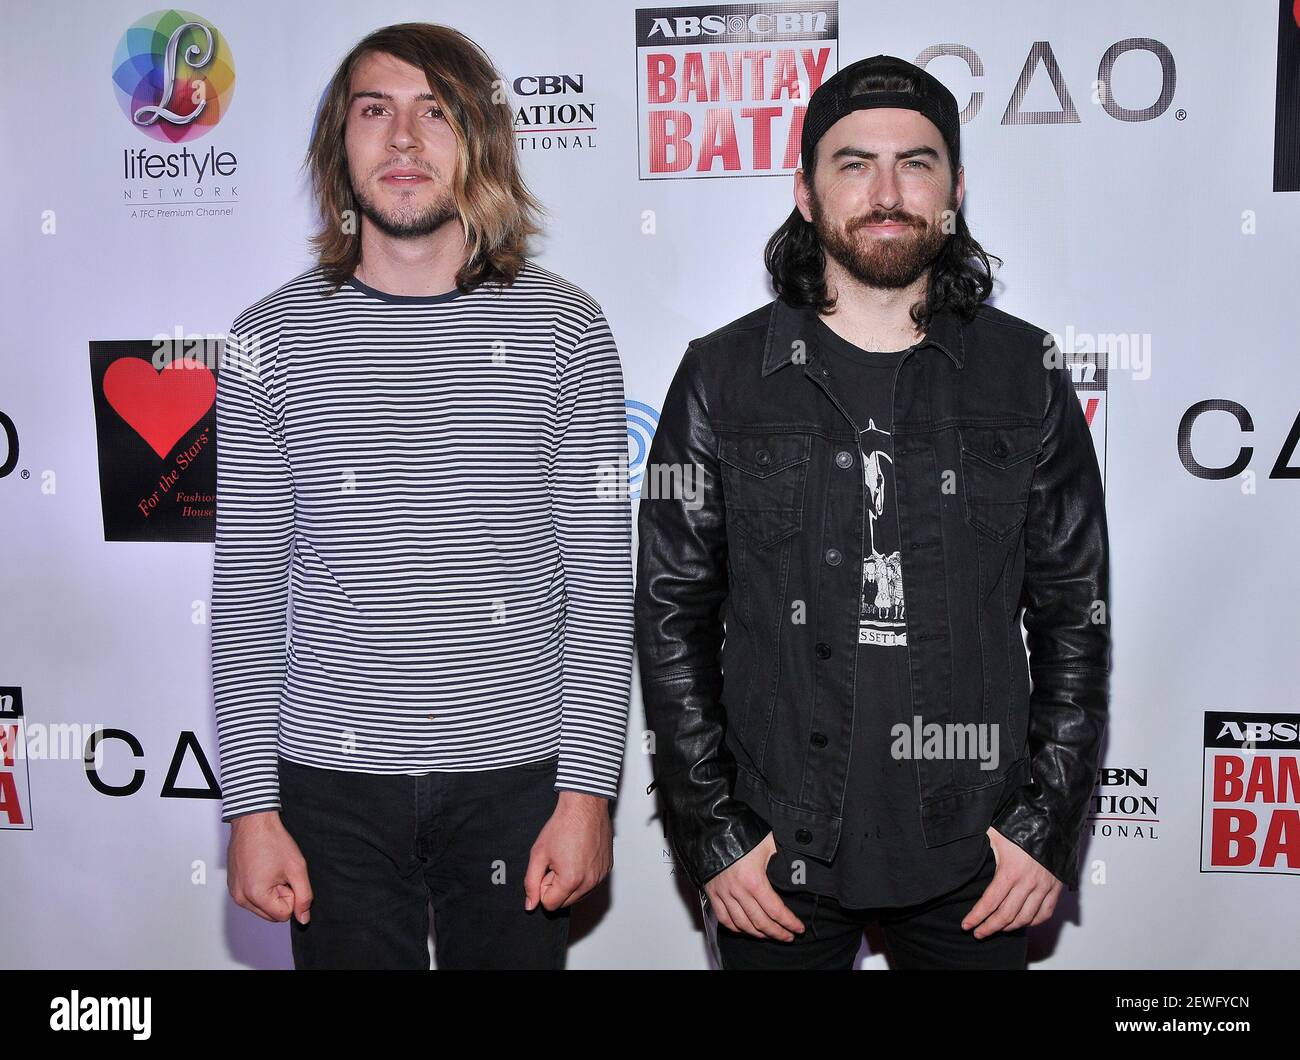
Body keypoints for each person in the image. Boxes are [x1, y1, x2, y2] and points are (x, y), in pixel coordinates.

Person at [635, 54, 1110, 970]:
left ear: (956, 188)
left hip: (981, 850)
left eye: (916, 163)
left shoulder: (1025, 371)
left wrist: (1046, 821)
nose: (886, 191)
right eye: (854, 164)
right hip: (775, 850)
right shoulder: (722, 376)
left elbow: (1074, 616)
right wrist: (713, 833)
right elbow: (669, 619)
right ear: (807, 193)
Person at [211, 22, 634, 969]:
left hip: (517, 780)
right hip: (328, 786)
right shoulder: (267, 341)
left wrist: (586, 793)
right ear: (340, 144)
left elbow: (601, 584)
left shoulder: (565, 327)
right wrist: (248, 806)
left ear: (478, 142)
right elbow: (245, 592)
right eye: (376, 111)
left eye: (435, 112)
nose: (404, 140)